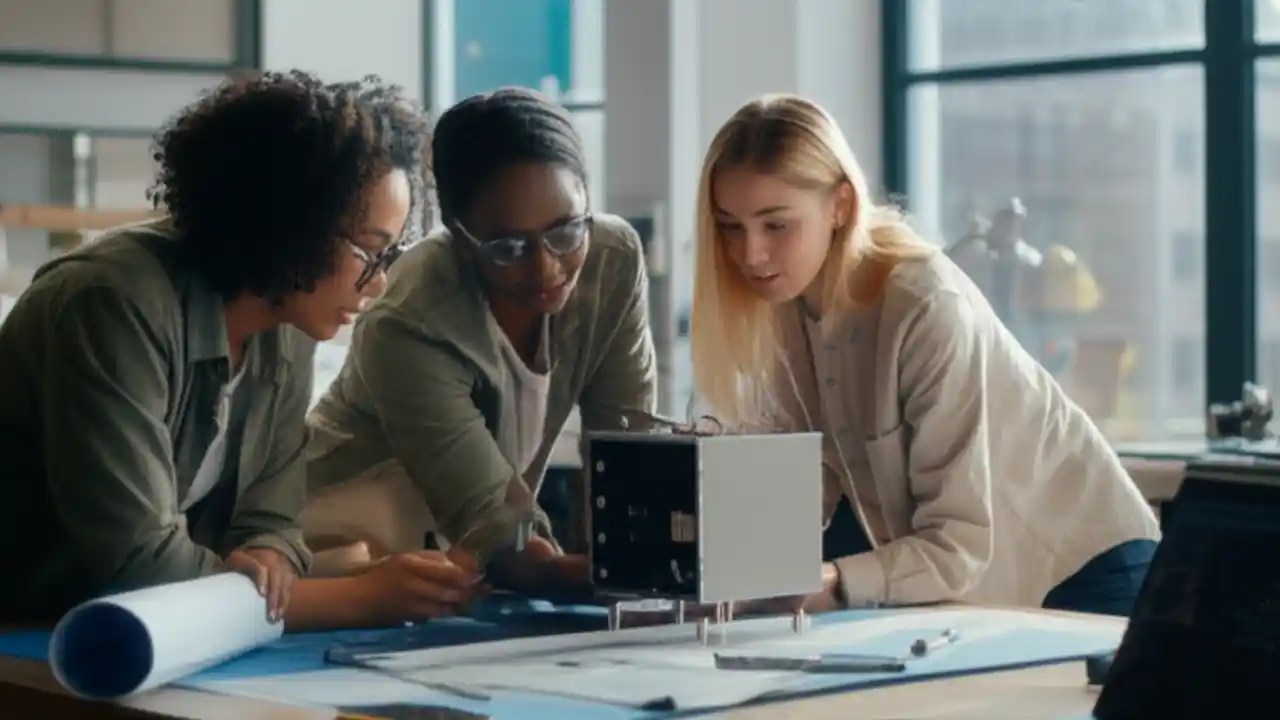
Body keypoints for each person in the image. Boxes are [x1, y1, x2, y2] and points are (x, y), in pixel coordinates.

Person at [0, 70, 483, 629]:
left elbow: (273, 521)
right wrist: (364, 599)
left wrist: (273, 557)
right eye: (369, 252)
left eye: (391, 254)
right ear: (290, 223)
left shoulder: (289, 323)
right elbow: (142, 568)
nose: (377, 283)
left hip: (112, 627)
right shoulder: (112, 304)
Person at [689, 94, 1160, 617]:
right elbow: (802, 492)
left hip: (1085, 568)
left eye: (776, 225)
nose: (750, 254)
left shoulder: (924, 305)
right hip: (980, 585)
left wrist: (822, 579)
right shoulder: (783, 307)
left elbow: (957, 546)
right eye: (731, 226)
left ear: (840, 205)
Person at [303, 86, 657, 595]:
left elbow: (628, 454)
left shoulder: (612, 257)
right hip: (337, 548)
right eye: (508, 246)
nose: (546, 267)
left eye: (565, 231)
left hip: (451, 569)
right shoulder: (408, 319)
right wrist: (644, 577)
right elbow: (499, 534)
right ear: (458, 232)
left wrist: (649, 559)